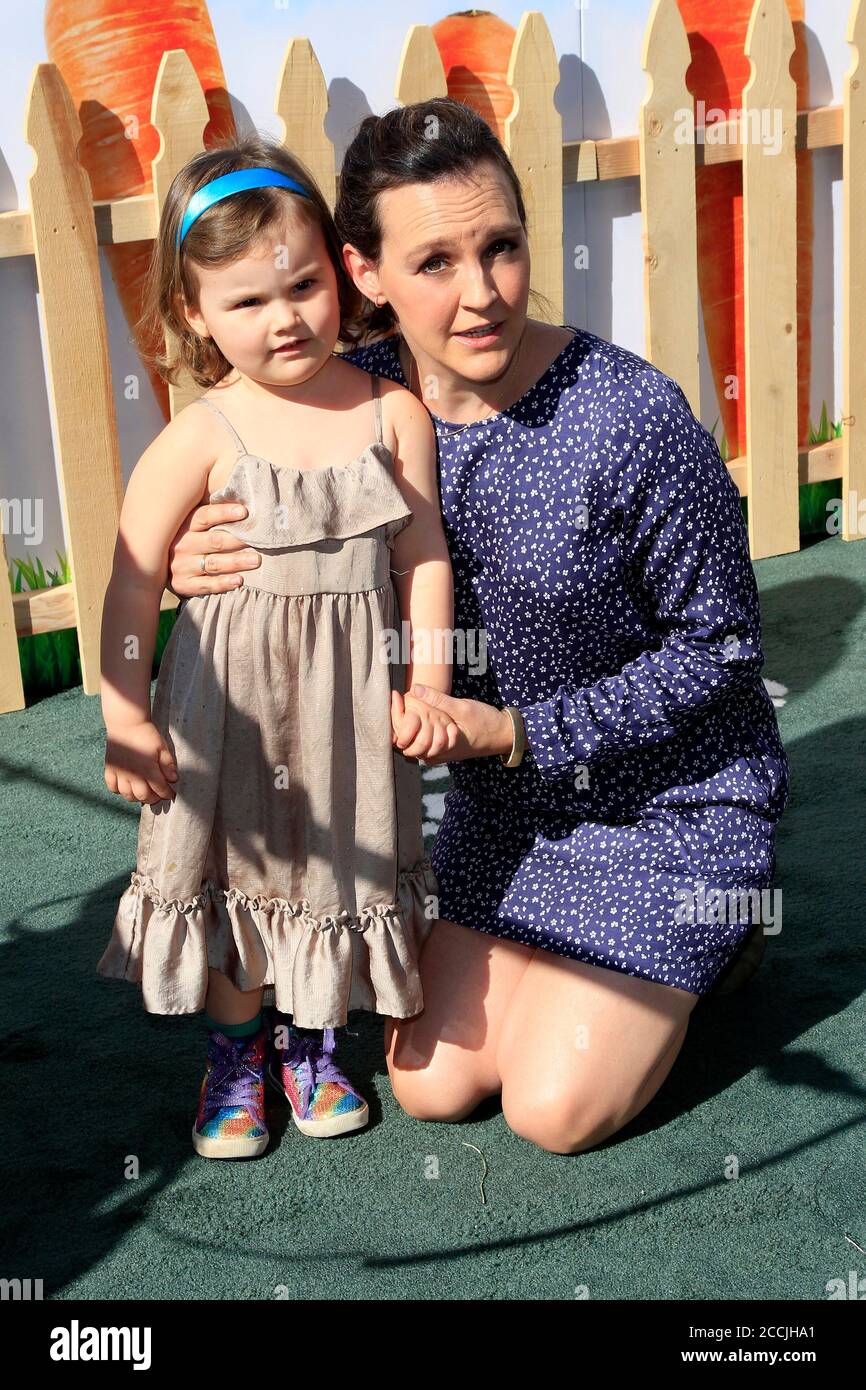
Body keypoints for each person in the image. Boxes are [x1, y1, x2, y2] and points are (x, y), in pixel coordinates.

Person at [164, 99, 790, 1156]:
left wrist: (514, 731)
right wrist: (197, 563)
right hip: (504, 816)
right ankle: (595, 975)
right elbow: (239, 514)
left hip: (669, 803)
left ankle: (718, 941)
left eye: (500, 247)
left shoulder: (631, 417)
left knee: (550, 1109)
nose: (482, 293)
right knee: (431, 1085)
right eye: (436, 263)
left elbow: (719, 651)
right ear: (363, 273)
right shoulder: (347, 404)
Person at [96, 131, 454, 1159]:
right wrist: (124, 712)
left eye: (300, 285)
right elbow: (130, 575)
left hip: (350, 706)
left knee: (336, 868)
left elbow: (419, 552)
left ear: (339, 277)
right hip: (230, 713)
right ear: (193, 313)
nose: (283, 317)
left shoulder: (392, 411)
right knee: (235, 869)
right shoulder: (201, 433)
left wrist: (427, 679)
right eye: (245, 301)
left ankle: (314, 1041)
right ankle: (237, 1050)